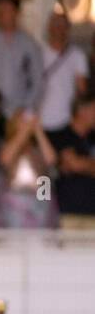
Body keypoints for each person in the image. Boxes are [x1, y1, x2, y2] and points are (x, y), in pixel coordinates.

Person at [51, 93, 95, 229]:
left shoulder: (92, 138)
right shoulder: (60, 135)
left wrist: (79, 163)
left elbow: (74, 164)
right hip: (66, 214)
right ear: (82, 110)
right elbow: (73, 165)